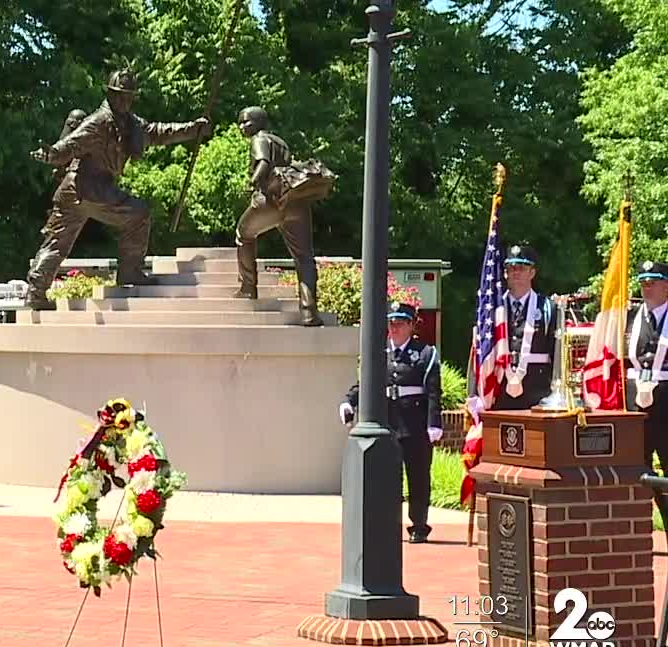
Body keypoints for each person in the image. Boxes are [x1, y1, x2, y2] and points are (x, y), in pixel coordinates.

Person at [25, 69, 211, 310]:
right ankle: (129, 273)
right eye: (119, 95)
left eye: (128, 96)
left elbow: (158, 132)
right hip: (90, 187)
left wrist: (192, 129)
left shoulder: (131, 124)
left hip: (73, 190)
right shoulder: (99, 122)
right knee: (138, 214)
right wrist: (53, 155)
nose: (124, 100)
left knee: (57, 243)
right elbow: (71, 145)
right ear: (110, 95)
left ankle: (35, 295)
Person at [338, 302, 443, 543]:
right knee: (387, 479)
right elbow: (364, 382)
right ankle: (389, 523)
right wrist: (349, 401)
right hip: (388, 425)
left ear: (410, 325)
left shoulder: (425, 353)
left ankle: (418, 525)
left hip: (415, 426)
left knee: (417, 478)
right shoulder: (379, 352)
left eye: (399, 323)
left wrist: (433, 423)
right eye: (391, 323)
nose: (394, 328)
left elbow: (434, 391)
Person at [233, 107, 335, 327]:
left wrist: (252, 182)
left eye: (246, 122)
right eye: (240, 122)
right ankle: (308, 312)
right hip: (296, 204)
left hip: (271, 201)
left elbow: (264, 163)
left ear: (259, 122)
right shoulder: (281, 142)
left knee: (243, 234)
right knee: (304, 258)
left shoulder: (259, 139)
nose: (242, 127)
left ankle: (248, 288)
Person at [469, 245, 556, 415]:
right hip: (499, 390)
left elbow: (554, 351)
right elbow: (480, 351)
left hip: (536, 390)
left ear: (532, 273)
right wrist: (473, 394)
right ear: (505, 273)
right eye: (511, 268)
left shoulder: (547, 307)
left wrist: (555, 392)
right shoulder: (493, 309)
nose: (516, 272)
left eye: (522, 268)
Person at [626, 260, 668, 471]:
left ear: (666, 286)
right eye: (643, 283)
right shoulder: (630, 317)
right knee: (638, 462)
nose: (647, 288)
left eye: (652, 282)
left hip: (666, 398)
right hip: (636, 399)